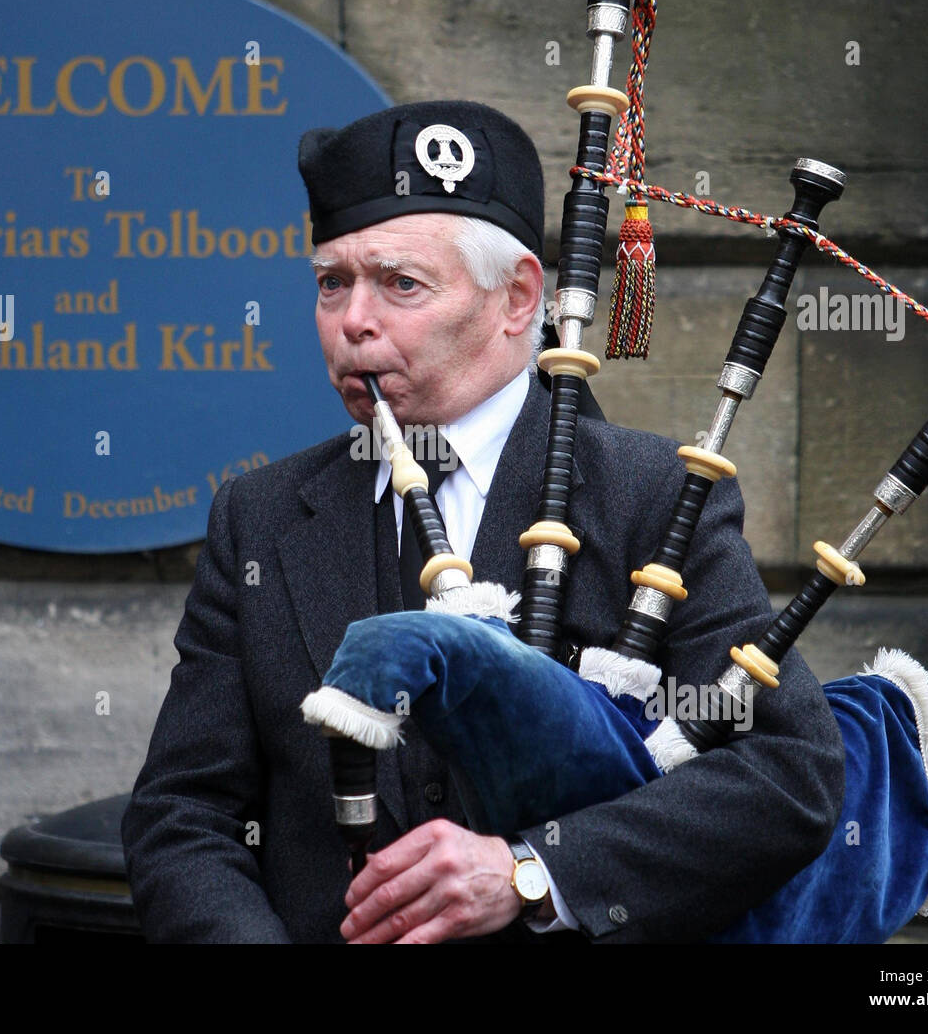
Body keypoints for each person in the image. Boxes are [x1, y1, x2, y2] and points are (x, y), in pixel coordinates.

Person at [122, 100, 845, 944]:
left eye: (400, 284)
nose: (354, 320)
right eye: (332, 283)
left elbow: (788, 775)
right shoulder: (262, 516)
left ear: (518, 300)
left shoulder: (649, 498)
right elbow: (184, 813)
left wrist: (531, 873)